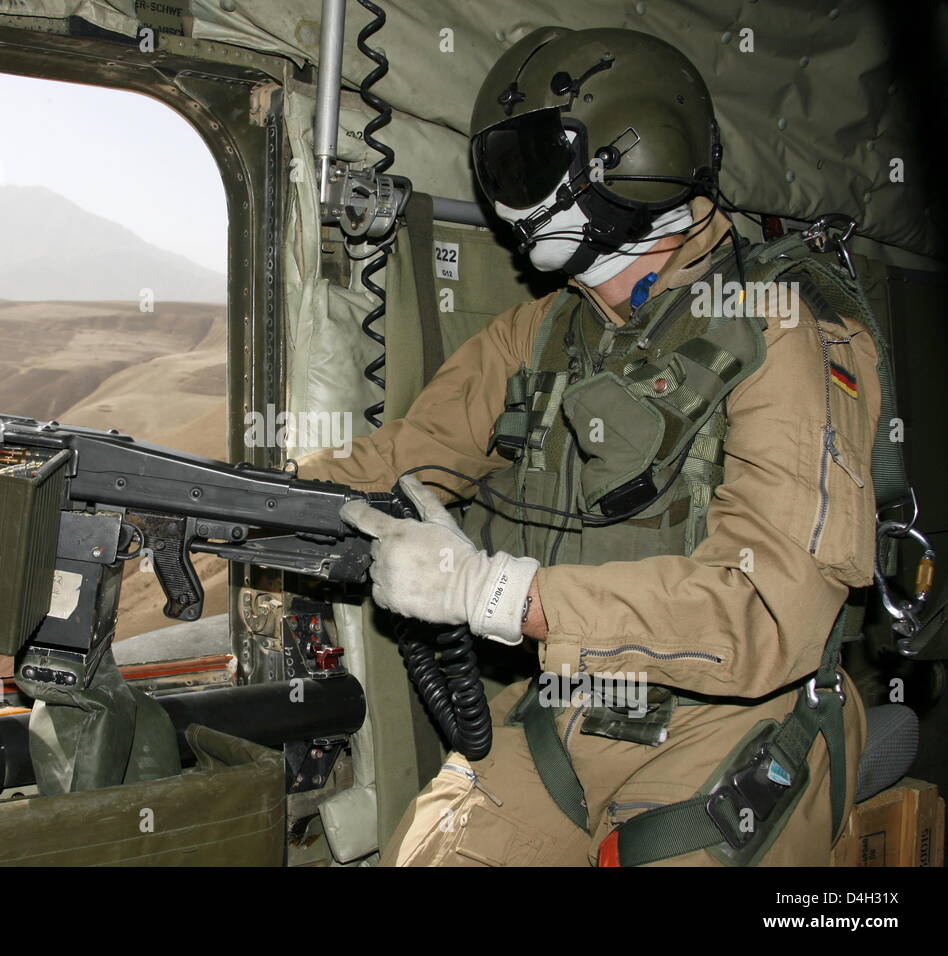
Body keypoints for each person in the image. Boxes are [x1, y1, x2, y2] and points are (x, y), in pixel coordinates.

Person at [303, 26, 879, 866]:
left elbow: (767, 613)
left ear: (633, 153)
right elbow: (398, 463)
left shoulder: (785, 326)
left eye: (527, 164)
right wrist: (227, 489)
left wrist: (495, 593)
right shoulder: (543, 331)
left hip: (738, 714)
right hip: (572, 700)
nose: (505, 200)